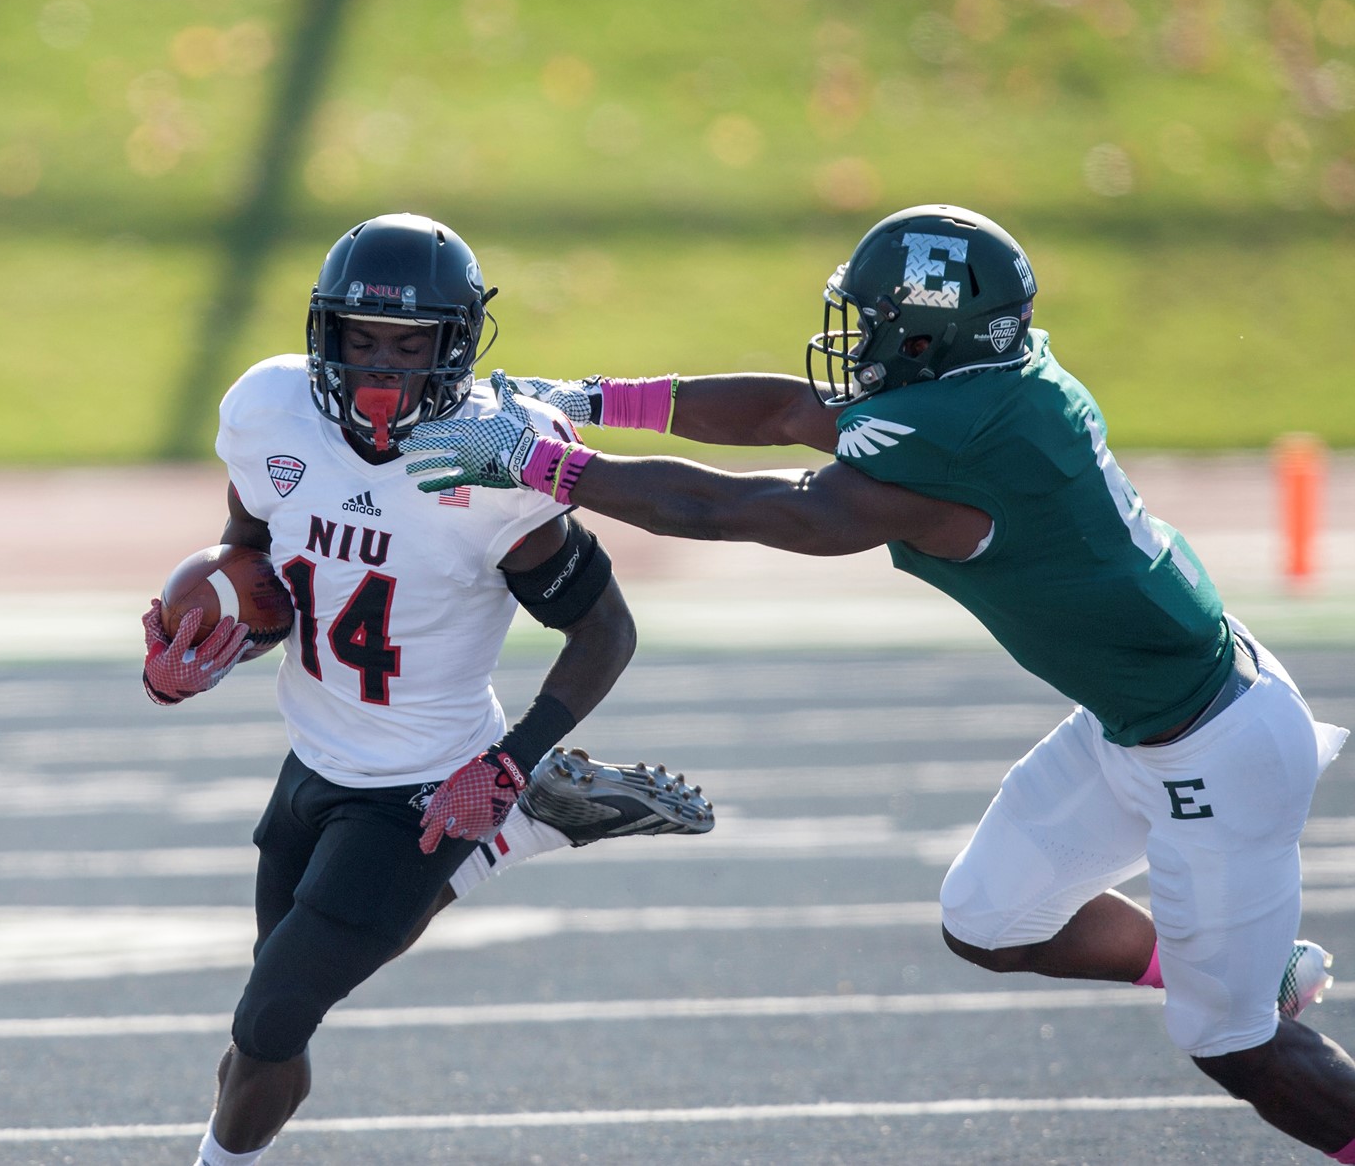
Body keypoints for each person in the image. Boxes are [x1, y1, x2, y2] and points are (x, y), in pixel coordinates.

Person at [399, 202, 1355, 1160]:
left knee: (1230, 1046)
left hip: (1212, 751)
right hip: (1140, 718)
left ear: (930, 335)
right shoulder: (983, 386)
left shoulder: (958, 441)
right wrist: (587, 396)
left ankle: (1240, 1001)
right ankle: (1227, 968)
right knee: (989, 919)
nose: (852, 343)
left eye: (876, 324)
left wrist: (541, 459)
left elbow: (733, 510)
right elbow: (783, 410)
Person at [141, 213, 713, 1166]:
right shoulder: (271, 411)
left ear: (455, 347)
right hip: (313, 759)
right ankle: (508, 838)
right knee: (274, 1016)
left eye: (410, 345)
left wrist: (507, 761)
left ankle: (507, 812)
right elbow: (259, 574)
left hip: (428, 778)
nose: (381, 366)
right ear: (325, 332)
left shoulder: (487, 458)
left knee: (272, 1013)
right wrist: (198, 651)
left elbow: (604, 626)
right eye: (362, 338)